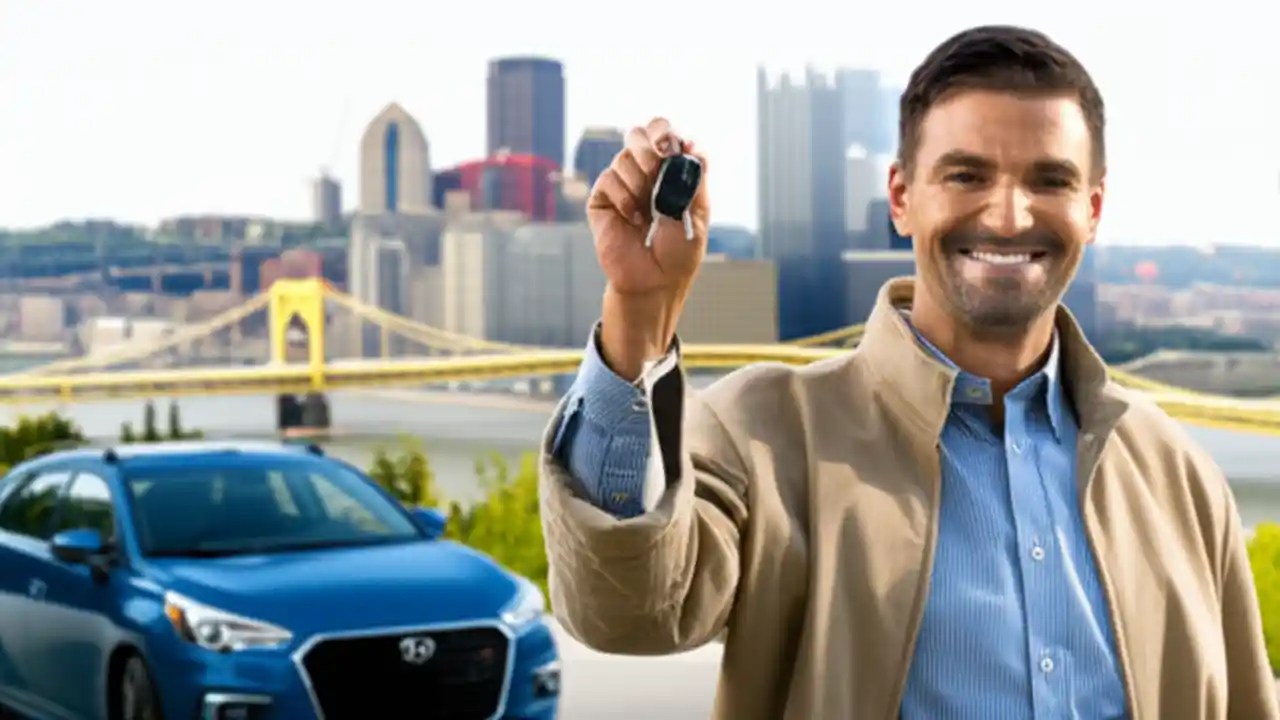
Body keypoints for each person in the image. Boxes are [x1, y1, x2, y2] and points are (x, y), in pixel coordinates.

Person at [538, 24, 1278, 720]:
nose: (1009, 216)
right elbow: (625, 614)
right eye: (966, 175)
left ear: (1093, 209)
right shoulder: (763, 433)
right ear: (900, 198)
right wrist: (641, 309)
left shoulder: (1178, 475)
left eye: (1049, 180)